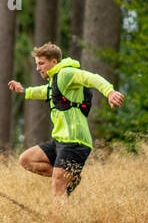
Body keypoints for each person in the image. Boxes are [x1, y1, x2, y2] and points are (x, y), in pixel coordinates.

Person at [8, 43, 125, 203]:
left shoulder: (67, 73)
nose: (38, 68)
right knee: (26, 160)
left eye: (41, 63)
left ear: (54, 62)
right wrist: (24, 91)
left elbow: (91, 78)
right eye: (37, 64)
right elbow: (44, 92)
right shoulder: (54, 82)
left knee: (58, 185)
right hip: (60, 141)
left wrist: (109, 92)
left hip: (74, 141)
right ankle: (70, 177)